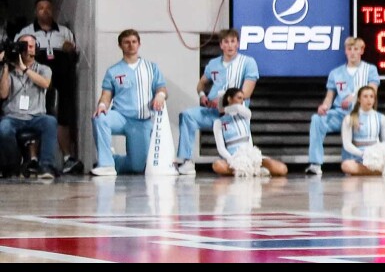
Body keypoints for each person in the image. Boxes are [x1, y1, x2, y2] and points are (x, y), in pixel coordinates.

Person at [176, 29, 260, 175]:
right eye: (226, 42)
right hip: (213, 112)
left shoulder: (248, 62)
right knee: (187, 115)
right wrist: (202, 95)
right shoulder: (213, 64)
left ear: (238, 44)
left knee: (227, 164)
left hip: (234, 116)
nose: (230, 45)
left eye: (233, 41)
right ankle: (186, 161)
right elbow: (200, 84)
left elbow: (246, 93)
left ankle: (245, 165)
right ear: (221, 45)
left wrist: (222, 101)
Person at [91, 29, 168, 176]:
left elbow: (162, 88)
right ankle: (106, 164)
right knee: (100, 117)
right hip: (121, 117)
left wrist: (160, 95)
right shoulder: (113, 71)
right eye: (127, 42)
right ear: (120, 45)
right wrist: (102, 106)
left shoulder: (151, 68)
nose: (131, 45)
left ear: (139, 44)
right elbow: (106, 95)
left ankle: (114, 161)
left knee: (137, 167)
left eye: (134, 42)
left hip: (141, 121)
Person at [19, 0, 79, 173]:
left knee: (63, 116)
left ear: (53, 11)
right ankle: (33, 159)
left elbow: (74, 54)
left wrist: (70, 49)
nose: (45, 11)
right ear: (35, 11)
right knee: (37, 115)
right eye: (41, 8)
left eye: (48, 8)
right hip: (36, 77)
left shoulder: (65, 31)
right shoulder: (26, 32)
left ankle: (68, 158)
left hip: (62, 77)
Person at [307, 36, 380, 175]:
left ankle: (352, 164)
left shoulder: (370, 70)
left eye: (356, 49)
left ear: (361, 51)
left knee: (353, 123)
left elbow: (372, 91)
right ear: (345, 51)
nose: (352, 52)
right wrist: (325, 106)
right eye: (349, 49)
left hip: (360, 114)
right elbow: (329, 97)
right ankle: (315, 163)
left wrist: (353, 99)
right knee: (317, 119)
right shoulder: (336, 73)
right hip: (340, 113)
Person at [0, 34, 56, 179]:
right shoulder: (10, 70)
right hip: (13, 116)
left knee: (50, 122)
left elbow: (45, 83)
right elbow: (3, 94)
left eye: (30, 46)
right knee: (4, 128)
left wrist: (24, 69)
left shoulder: (44, 69)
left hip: (36, 116)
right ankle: (13, 165)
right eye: (23, 46)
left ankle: (45, 165)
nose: (27, 49)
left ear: (36, 49)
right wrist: (6, 67)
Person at [212, 88, 288, 177]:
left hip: (250, 155)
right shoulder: (219, 122)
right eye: (239, 98)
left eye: (243, 99)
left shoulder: (246, 115)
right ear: (229, 99)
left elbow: (238, 108)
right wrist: (231, 160)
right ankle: (247, 171)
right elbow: (221, 148)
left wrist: (224, 108)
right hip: (233, 157)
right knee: (217, 165)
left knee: (282, 169)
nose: (242, 101)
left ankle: (249, 171)